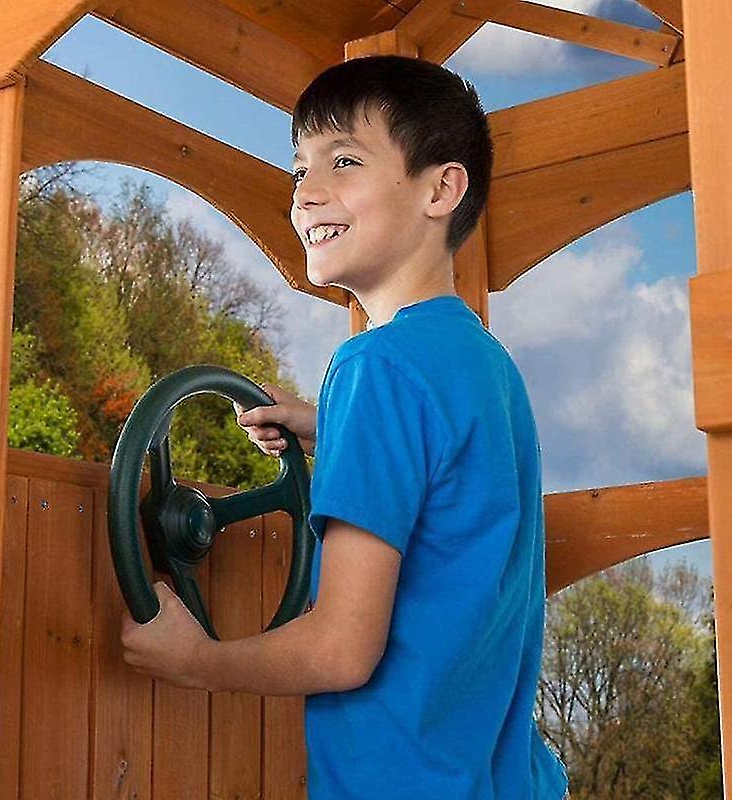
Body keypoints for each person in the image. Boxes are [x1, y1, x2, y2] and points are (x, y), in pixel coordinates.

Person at [121, 54, 569, 799]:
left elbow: (341, 649)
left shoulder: (375, 365)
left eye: (345, 161)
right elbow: (455, 483)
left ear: (440, 189)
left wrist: (196, 661)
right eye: (300, 169)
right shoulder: (485, 366)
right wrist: (330, 427)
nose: (306, 193)